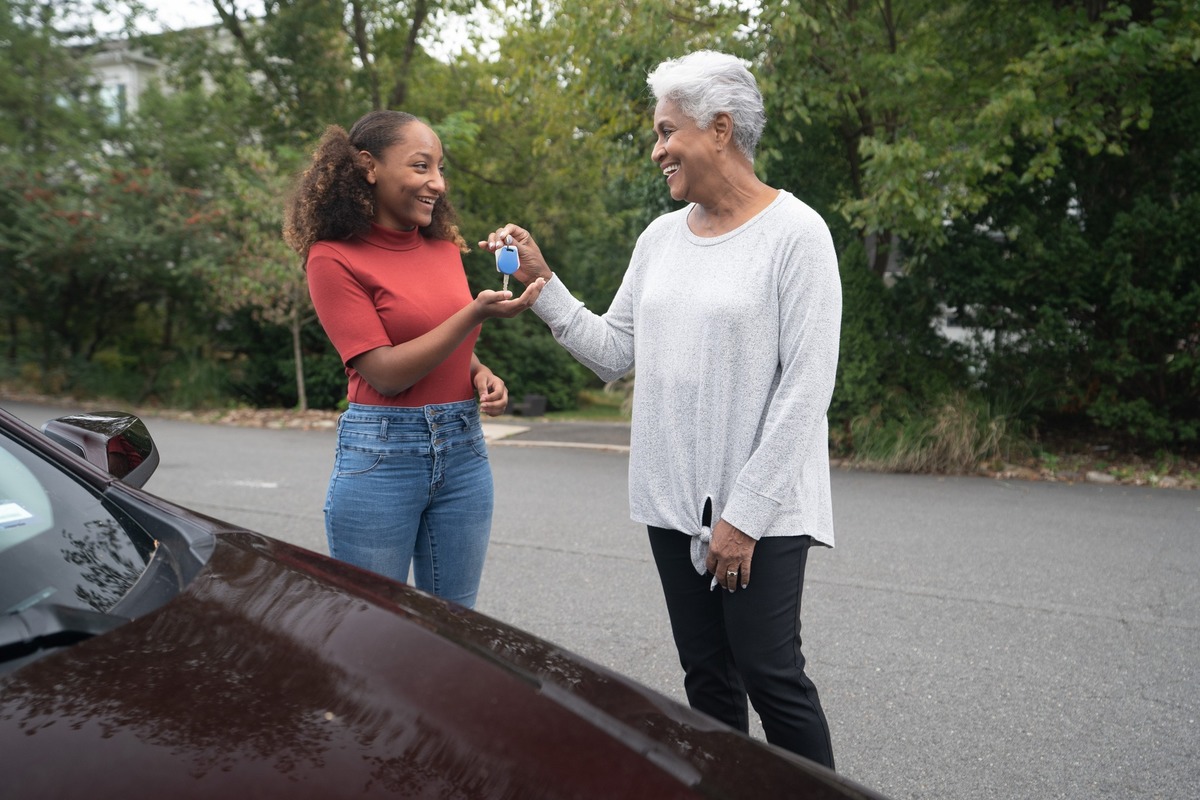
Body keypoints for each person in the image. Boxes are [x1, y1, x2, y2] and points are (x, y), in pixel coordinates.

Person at [481, 51, 842, 767]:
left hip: (758, 511)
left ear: (719, 128)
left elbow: (807, 387)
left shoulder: (797, 236)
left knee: (772, 678)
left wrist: (744, 517)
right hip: (672, 501)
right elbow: (614, 351)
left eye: (666, 131)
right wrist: (544, 282)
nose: (657, 150)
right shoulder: (659, 239)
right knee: (707, 681)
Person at [284, 110, 545, 609]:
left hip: (463, 450)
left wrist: (479, 372)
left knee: (456, 628)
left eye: (441, 169)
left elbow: (437, 342)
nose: (438, 184)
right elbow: (383, 372)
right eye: (422, 166)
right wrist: (474, 315)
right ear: (368, 166)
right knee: (372, 627)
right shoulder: (332, 257)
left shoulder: (444, 250)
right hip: (383, 454)